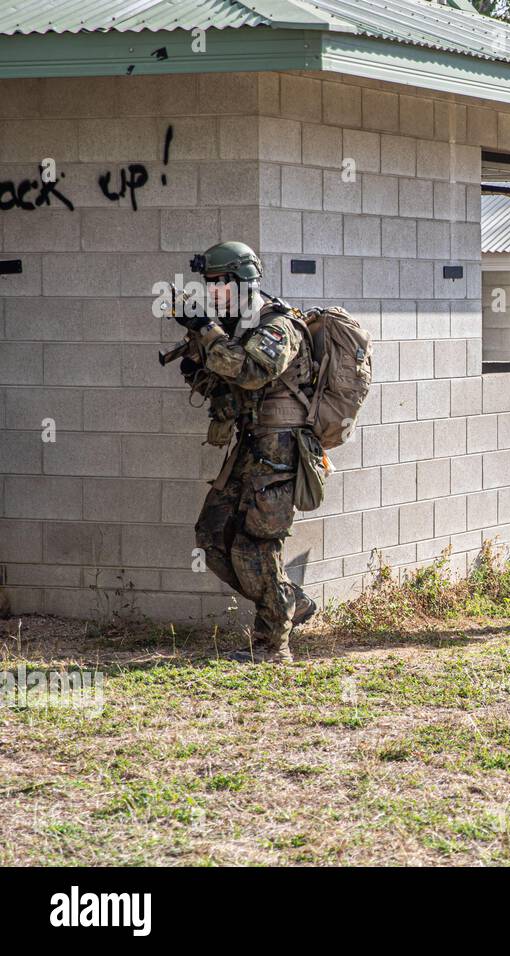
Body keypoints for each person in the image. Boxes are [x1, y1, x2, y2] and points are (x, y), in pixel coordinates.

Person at [176, 241, 318, 663]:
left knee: (256, 544)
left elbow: (253, 372)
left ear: (243, 282)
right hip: (248, 447)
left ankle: (274, 647)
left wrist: (206, 330)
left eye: (219, 284)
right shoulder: (236, 327)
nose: (213, 293)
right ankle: (290, 601)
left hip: (280, 449)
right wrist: (198, 364)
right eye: (210, 285)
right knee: (212, 536)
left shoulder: (278, 324)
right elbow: (227, 382)